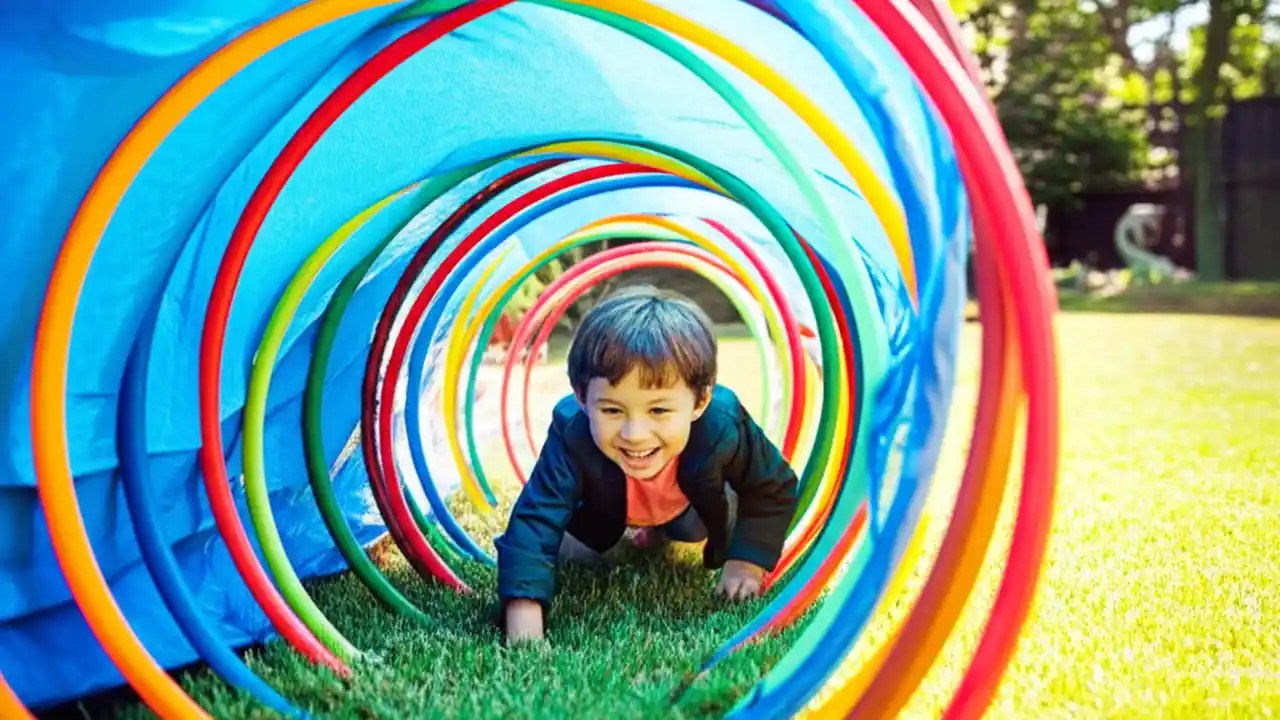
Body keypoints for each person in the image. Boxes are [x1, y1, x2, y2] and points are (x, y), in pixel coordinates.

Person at [495, 285, 799, 643]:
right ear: (581, 398)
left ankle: (658, 531)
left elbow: (772, 485)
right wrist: (523, 617)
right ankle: (630, 531)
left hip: (690, 509)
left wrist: (746, 562)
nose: (635, 433)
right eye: (611, 410)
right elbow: (535, 520)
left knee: (691, 529)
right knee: (575, 553)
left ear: (700, 401)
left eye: (658, 410)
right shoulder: (572, 432)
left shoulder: (722, 425)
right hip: (605, 507)